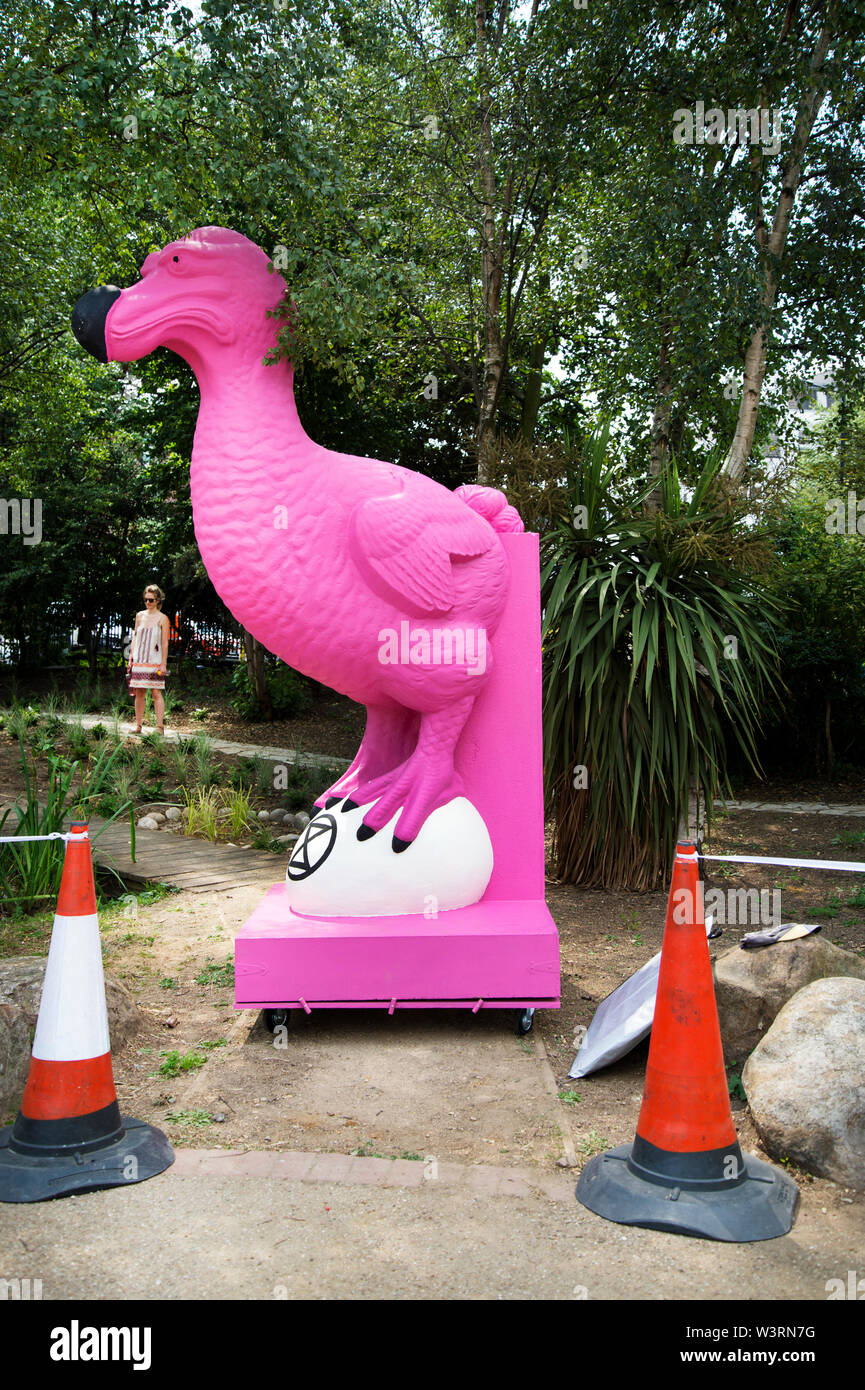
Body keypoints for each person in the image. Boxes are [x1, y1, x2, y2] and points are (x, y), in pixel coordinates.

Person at [127, 584, 170, 735]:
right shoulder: (139, 616)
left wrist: (163, 663)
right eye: (146, 599)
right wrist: (131, 656)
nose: (148, 602)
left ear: (158, 600)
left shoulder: (163, 618)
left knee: (156, 693)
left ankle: (160, 727)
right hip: (139, 660)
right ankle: (138, 726)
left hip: (154, 660)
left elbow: (165, 643)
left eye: (151, 600)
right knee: (139, 693)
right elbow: (135, 636)